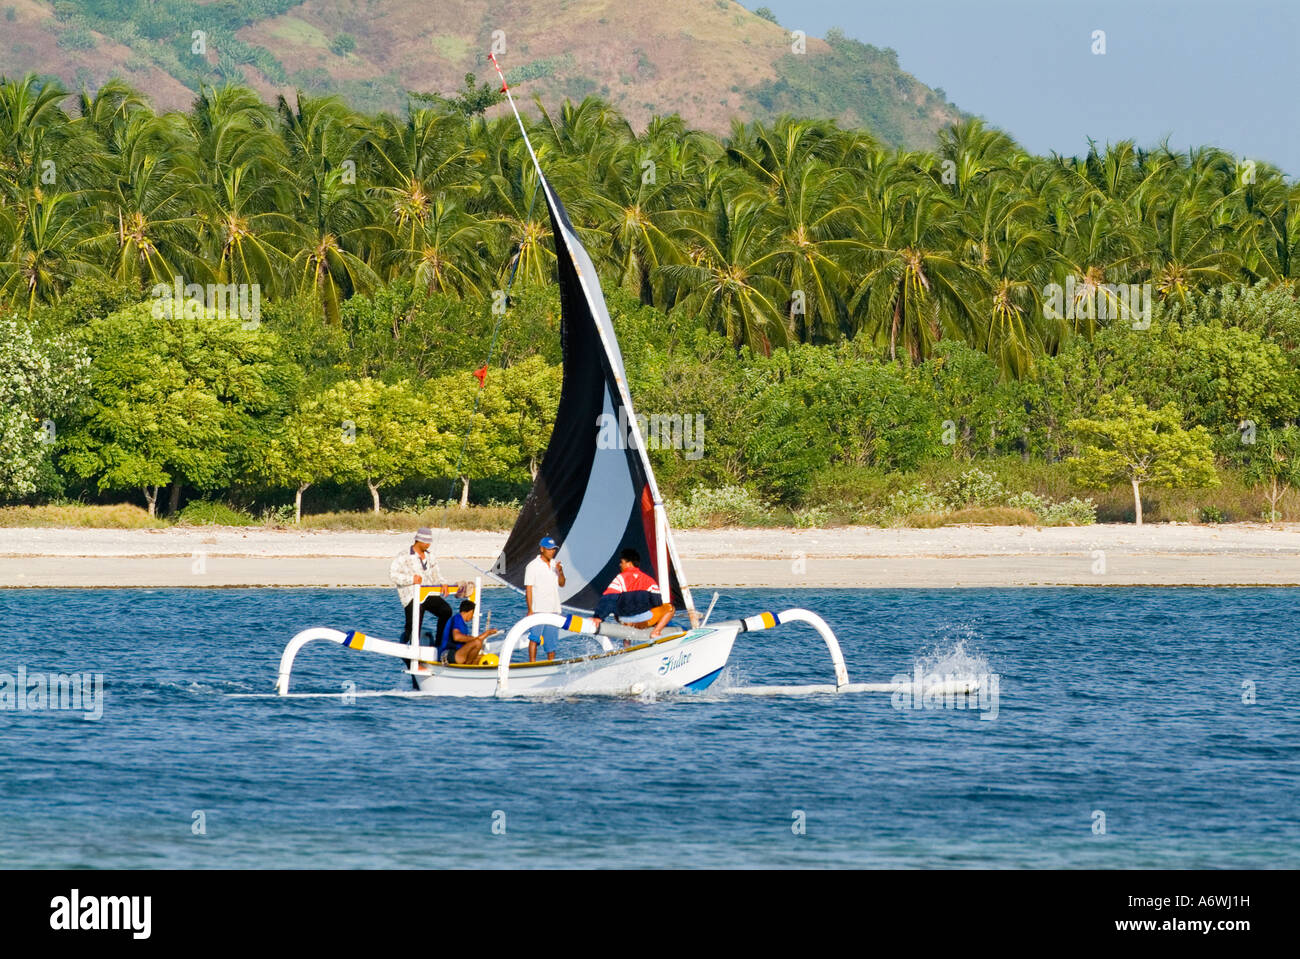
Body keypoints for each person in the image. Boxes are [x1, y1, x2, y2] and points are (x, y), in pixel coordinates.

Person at [389, 527, 454, 653]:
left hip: (428, 594)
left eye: (430, 542)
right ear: (418, 541)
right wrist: (411, 579)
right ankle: (408, 646)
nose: (428, 545)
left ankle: (439, 644)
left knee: (446, 611)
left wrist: (443, 583)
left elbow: (436, 574)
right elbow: (393, 575)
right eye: (426, 542)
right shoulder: (404, 556)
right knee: (412, 627)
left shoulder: (430, 556)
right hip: (411, 596)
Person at [591, 548, 675, 640]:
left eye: (621, 562)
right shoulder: (649, 580)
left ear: (629, 564)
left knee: (618, 607)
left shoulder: (620, 578)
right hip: (644, 622)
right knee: (670, 608)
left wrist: (598, 617)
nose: (620, 565)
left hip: (625, 622)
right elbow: (657, 602)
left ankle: (626, 643)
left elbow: (608, 599)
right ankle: (656, 632)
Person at [524, 535, 565, 661]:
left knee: (551, 643)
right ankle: (531, 664)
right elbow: (529, 589)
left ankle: (550, 665)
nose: (552, 551)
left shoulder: (555, 564)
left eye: (553, 549)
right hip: (538, 608)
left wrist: (560, 572)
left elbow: (562, 584)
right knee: (534, 638)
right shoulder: (532, 566)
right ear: (542, 549)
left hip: (553, 609)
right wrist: (530, 609)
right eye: (549, 549)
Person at [439, 599, 500, 665]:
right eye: (473, 613)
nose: (473, 616)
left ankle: (470, 665)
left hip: (458, 653)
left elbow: (474, 640)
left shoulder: (463, 625)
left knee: (482, 657)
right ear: (470, 611)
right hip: (448, 654)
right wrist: (475, 638)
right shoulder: (457, 618)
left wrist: (488, 633)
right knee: (477, 643)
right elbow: (457, 637)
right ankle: (468, 666)